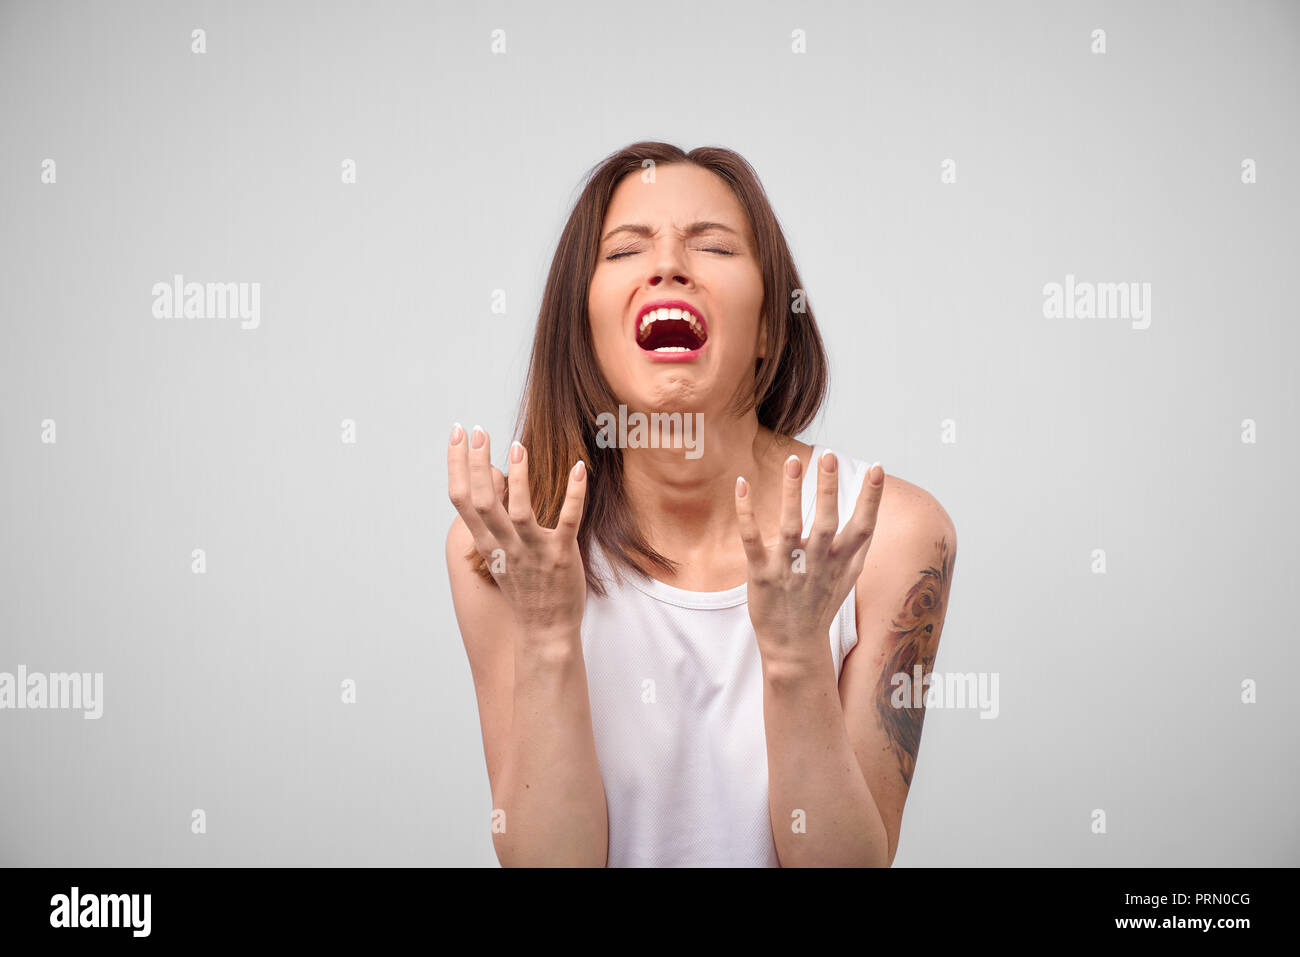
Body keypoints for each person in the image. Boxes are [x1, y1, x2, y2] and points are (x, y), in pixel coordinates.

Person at [446, 142, 957, 867]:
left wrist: (794, 654)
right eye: (626, 250)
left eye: (713, 245)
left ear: (772, 328)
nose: (668, 264)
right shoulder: (506, 547)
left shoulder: (891, 535)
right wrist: (549, 632)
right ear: (583, 331)